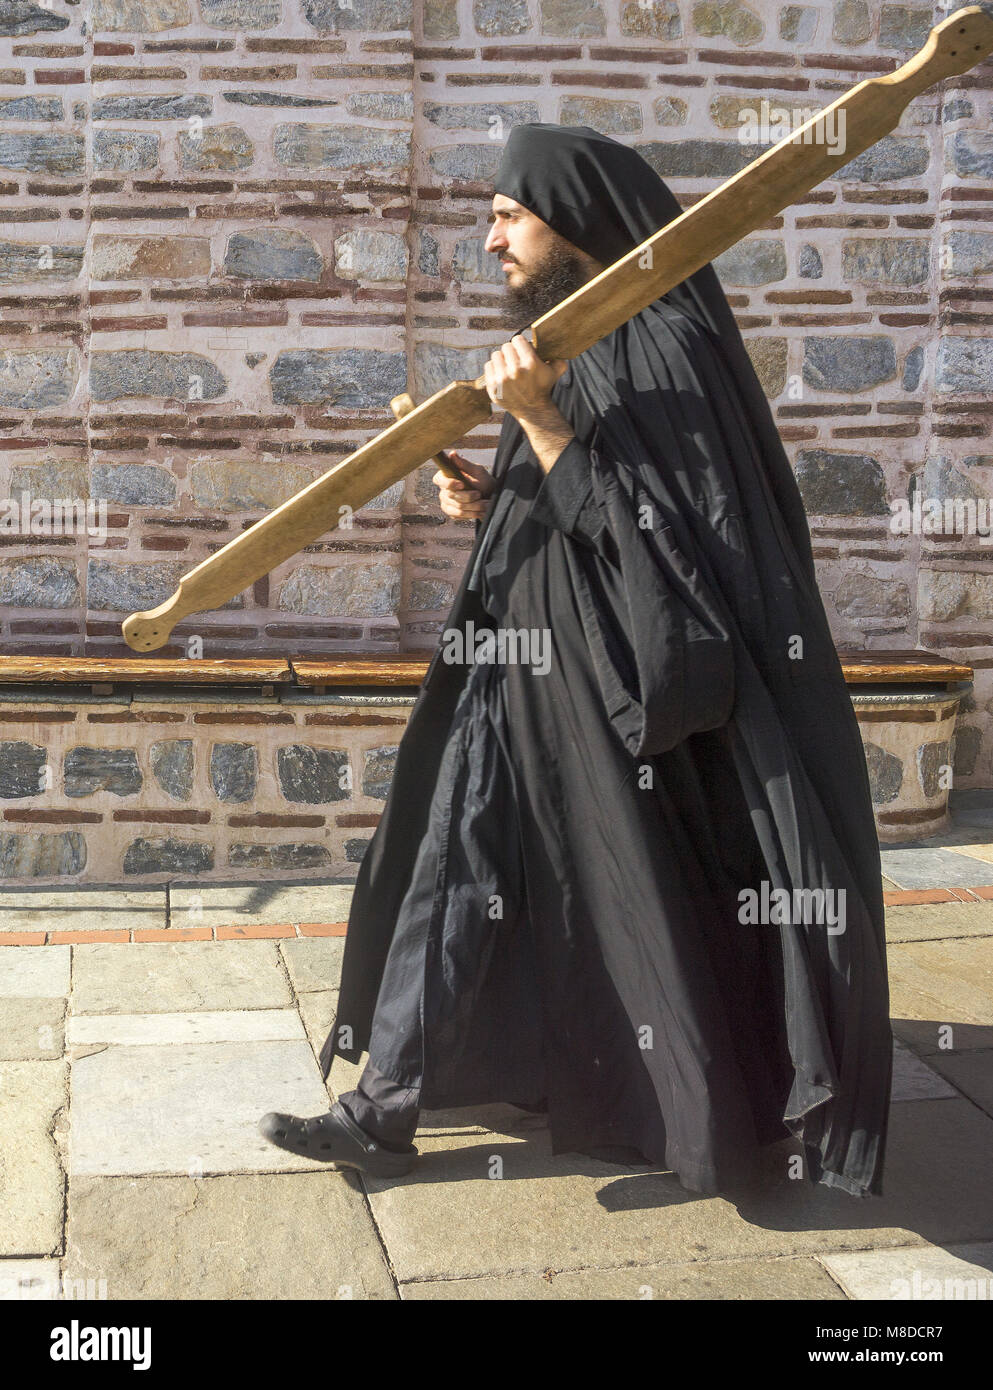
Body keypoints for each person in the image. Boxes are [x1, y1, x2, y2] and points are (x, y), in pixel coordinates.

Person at [260, 124, 892, 1198]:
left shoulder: (667, 349)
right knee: (451, 867)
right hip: (517, 674)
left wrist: (541, 425)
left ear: (576, 220)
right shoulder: (569, 342)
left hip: (618, 709)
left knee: (629, 908)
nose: (491, 239)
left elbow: (666, 551)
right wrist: (489, 491)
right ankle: (381, 1109)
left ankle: (699, 1111)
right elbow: (572, 506)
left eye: (510, 214)